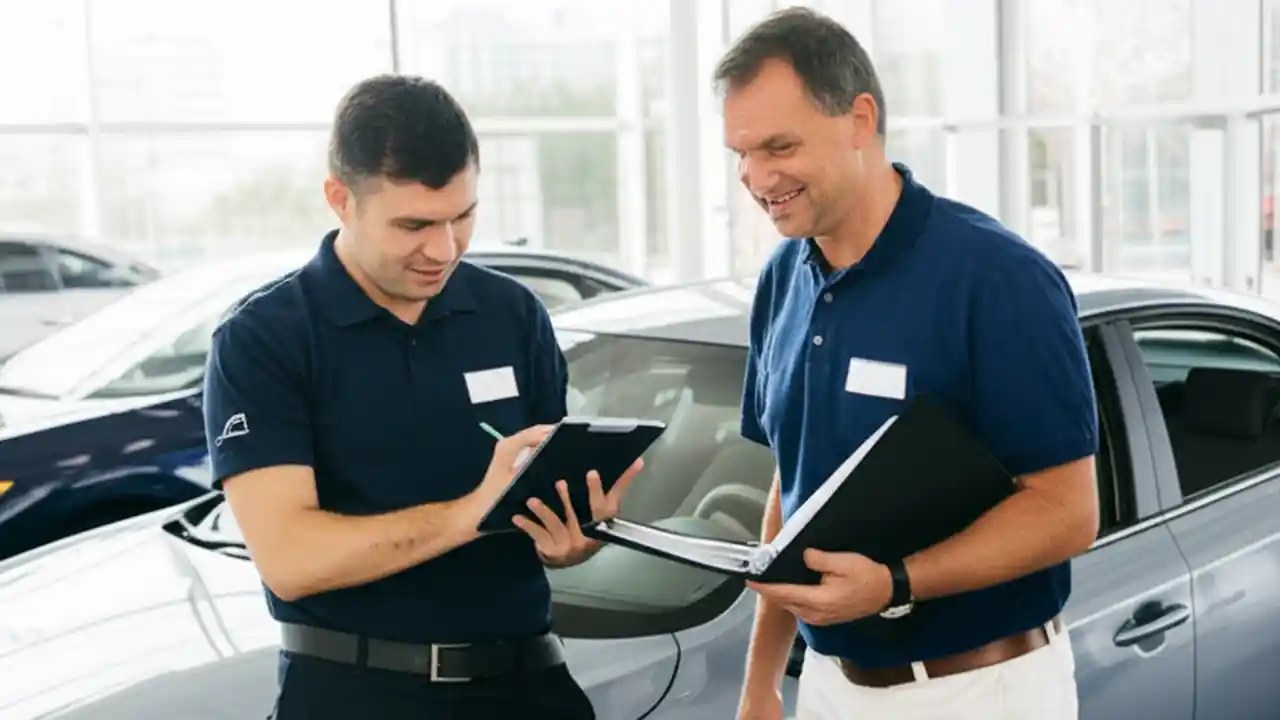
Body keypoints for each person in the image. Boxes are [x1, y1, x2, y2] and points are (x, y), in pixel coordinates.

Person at [202, 74, 641, 719]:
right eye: (413, 224)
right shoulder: (264, 339)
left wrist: (575, 539)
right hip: (356, 695)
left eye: (462, 217)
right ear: (339, 200)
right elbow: (290, 559)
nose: (443, 249)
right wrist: (472, 510)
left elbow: (543, 502)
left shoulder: (512, 314)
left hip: (525, 687)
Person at [719, 9, 1099, 720]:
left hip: (982, 690)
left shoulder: (997, 279)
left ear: (859, 119)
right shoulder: (781, 279)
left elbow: (1068, 512)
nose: (755, 176)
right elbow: (794, 485)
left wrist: (897, 583)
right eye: (740, 152)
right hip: (830, 686)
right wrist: (762, 681)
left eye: (778, 146)